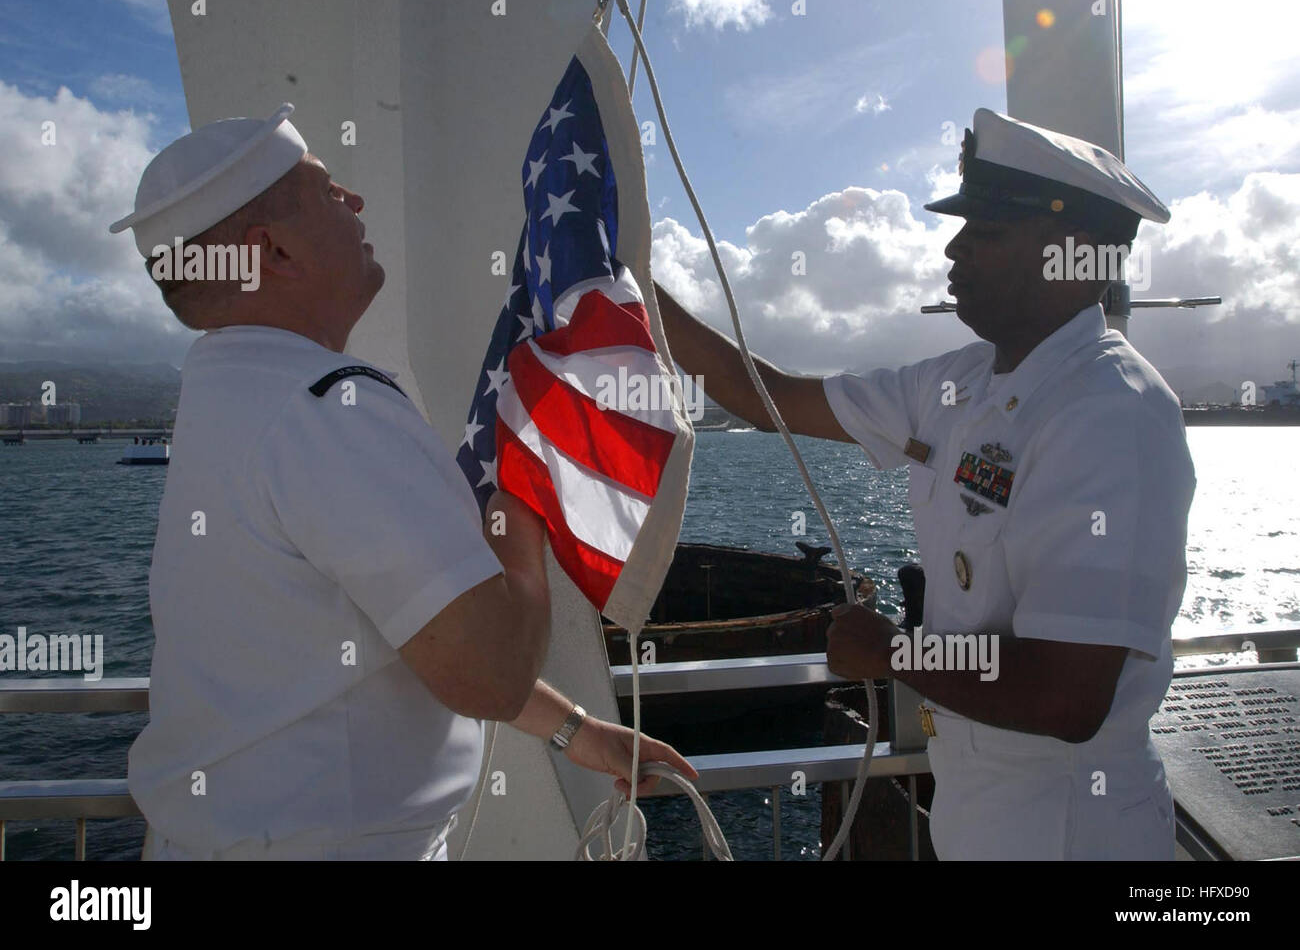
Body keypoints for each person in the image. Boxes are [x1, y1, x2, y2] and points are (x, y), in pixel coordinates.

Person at [110, 103, 694, 860]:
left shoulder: (230, 395)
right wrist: (522, 495)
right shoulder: (328, 410)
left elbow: (419, 627)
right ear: (275, 251)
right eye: (324, 191)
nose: (352, 201)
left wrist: (577, 733)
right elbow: (486, 674)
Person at [653, 108, 1196, 860]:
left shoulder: (1111, 413)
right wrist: (635, 287)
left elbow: (1066, 694)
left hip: (1073, 833)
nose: (954, 247)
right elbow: (762, 393)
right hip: (977, 820)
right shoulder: (961, 383)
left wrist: (895, 653)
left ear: (1067, 254)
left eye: (987, 232)